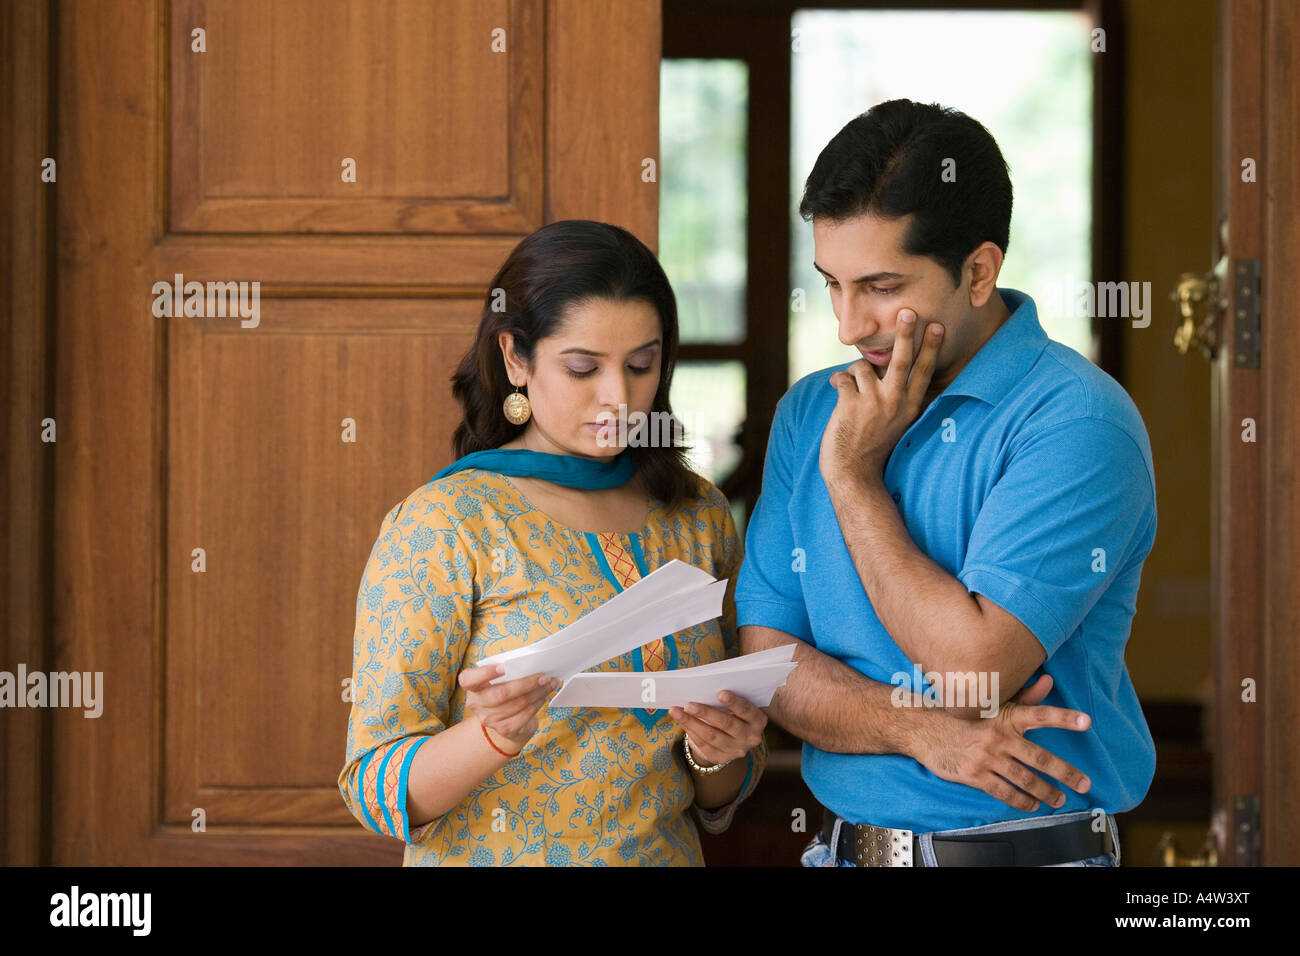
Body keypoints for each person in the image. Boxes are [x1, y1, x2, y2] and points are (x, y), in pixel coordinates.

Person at [737, 99, 1157, 867]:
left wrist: (856, 482)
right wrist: (913, 728)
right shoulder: (810, 413)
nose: (848, 324)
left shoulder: (1077, 423)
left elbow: (971, 672)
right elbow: (765, 656)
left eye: (881, 286)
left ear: (978, 270)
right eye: (832, 283)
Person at [338, 220, 769, 865]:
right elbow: (373, 787)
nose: (618, 398)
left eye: (641, 365)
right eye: (582, 368)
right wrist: (492, 736)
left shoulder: (696, 516)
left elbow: (725, 788)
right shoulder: (448, 524)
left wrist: (717, 753)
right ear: (516, 358)